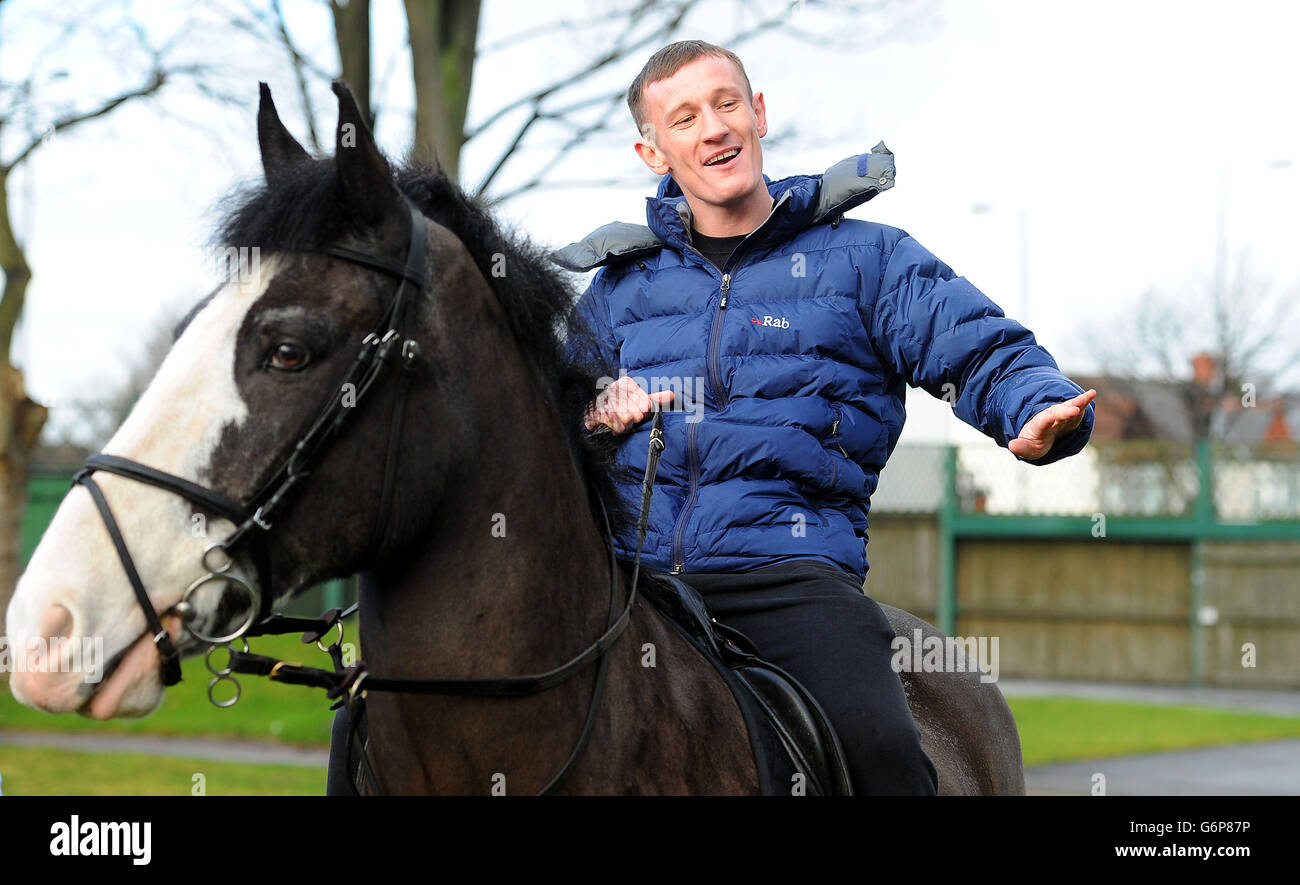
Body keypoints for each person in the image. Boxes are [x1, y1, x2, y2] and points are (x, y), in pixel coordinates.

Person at [552, 40, 1096, 795]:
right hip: (628, 588)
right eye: (685, 116)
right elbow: (542, 434)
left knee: (877, 748)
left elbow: (980, 350)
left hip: (787, 576)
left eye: (727, 103)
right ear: (653, 150)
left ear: (759, 113)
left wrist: (1036, 408)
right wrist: (590, 418)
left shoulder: (867, 260)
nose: (714, 127)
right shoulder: (616, 292)